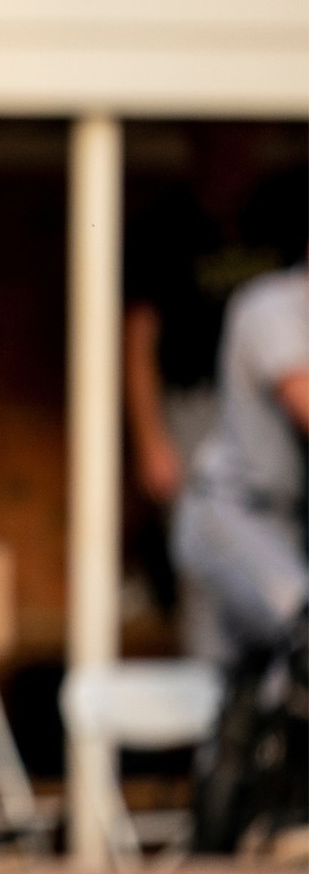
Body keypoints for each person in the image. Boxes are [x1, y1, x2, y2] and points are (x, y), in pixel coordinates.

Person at [124, 131, 303, 661]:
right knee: (211, 564)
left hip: (265, 421)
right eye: (226, 156)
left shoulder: (272, 219)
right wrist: (151, 438)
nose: (237, 169)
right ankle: (219, 693)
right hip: (197, 409)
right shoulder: (168, 225)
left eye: (245, 157)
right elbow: (137, 340)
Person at [172, 260, 308, 658]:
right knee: (301, 633)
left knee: (262, 680)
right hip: (231, 517)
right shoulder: (271, 306)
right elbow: (301, 398)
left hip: (284, 526)